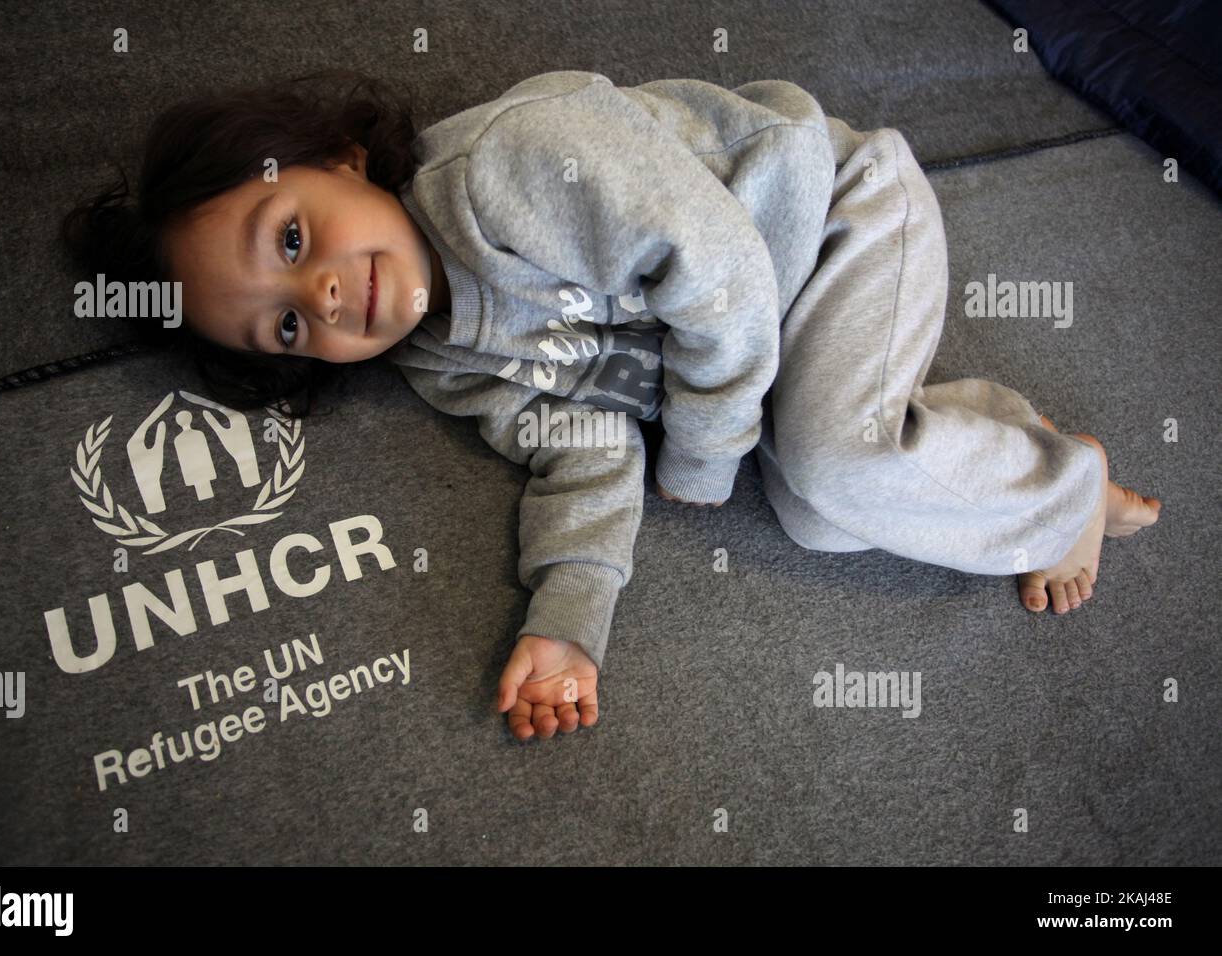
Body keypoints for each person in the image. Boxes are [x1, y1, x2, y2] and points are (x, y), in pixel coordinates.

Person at [60, 69, 1161, 742]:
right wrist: (566, 622)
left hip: (833, 223)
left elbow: (723, 268)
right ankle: (1001, 434)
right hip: (768, 341)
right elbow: (577, 446)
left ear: (339, 159)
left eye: (294, 239)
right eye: (289, 325)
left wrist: (700, 454)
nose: (326, 293)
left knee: (830, 468)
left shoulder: (506, 170)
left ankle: (1062, 494)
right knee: (822, 515)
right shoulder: (441, 360)